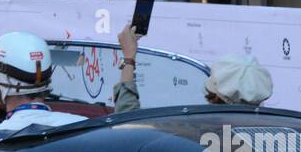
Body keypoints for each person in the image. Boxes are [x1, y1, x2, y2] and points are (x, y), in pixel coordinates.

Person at [113, 22, 273, 113]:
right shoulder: (272, 141)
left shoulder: (200, 137)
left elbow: (126, 128)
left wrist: (129, 58)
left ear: (213, 97)